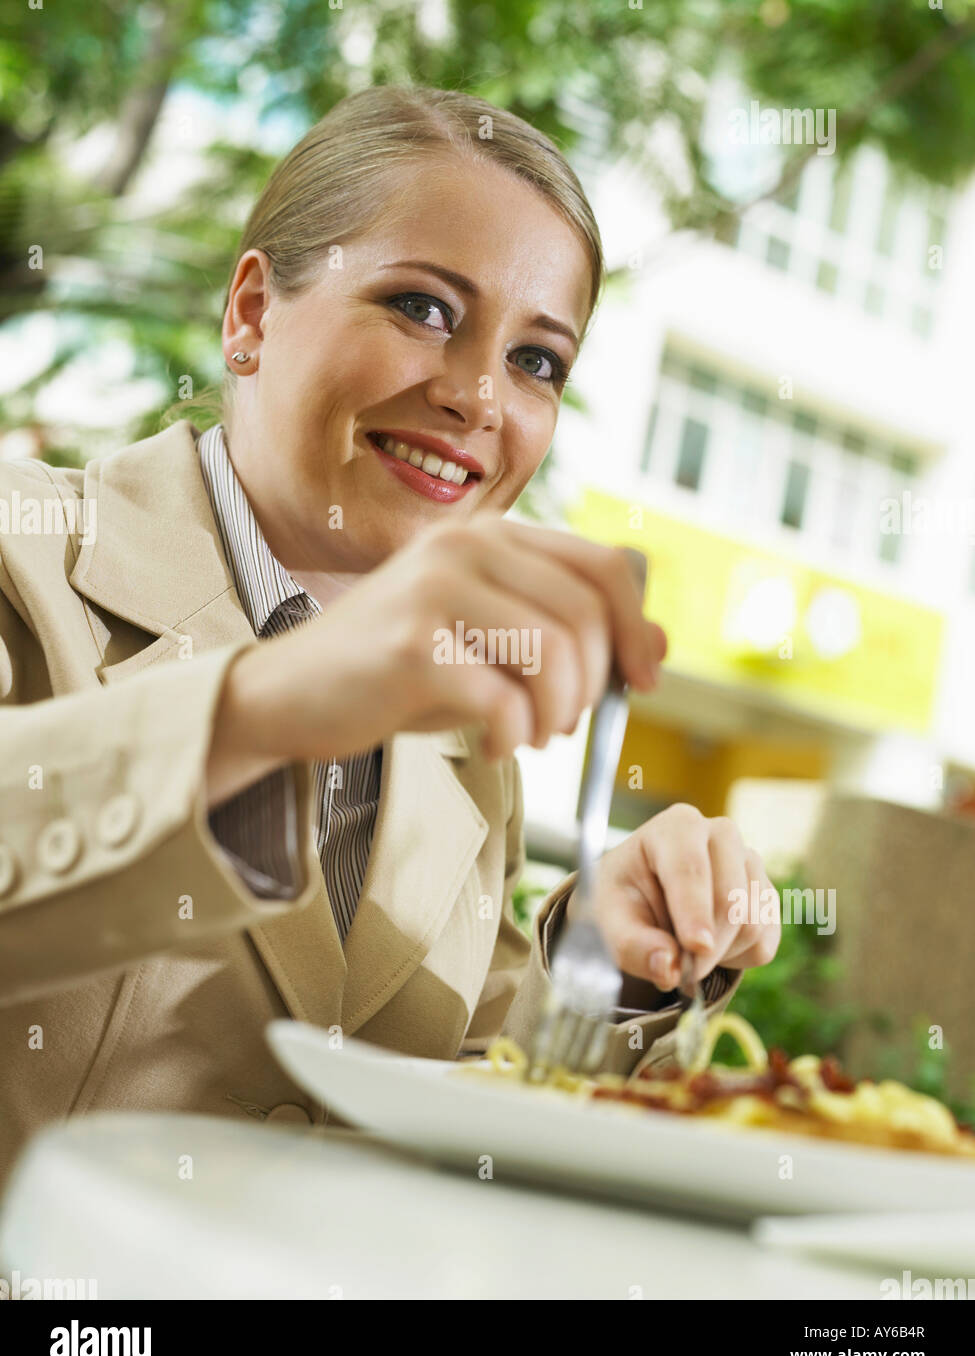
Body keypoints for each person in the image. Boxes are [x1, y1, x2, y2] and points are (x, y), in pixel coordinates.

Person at [0, 86, 780, 1187]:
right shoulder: (23, 547)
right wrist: (273, 701)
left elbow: (475, 1084)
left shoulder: (463, 729)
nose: (476, 397)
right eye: (422, 307)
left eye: (538, 360)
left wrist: (609, 957)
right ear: (252, 315)